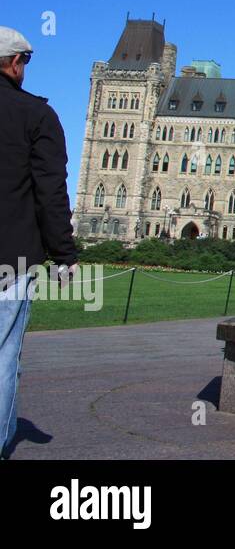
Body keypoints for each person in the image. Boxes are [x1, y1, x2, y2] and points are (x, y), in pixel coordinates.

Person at [0, 28, 77, 458]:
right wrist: (64, 254)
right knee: (4, 357)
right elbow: (51, 192)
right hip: (9, 261)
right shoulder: (36, 116)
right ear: (15, 64)